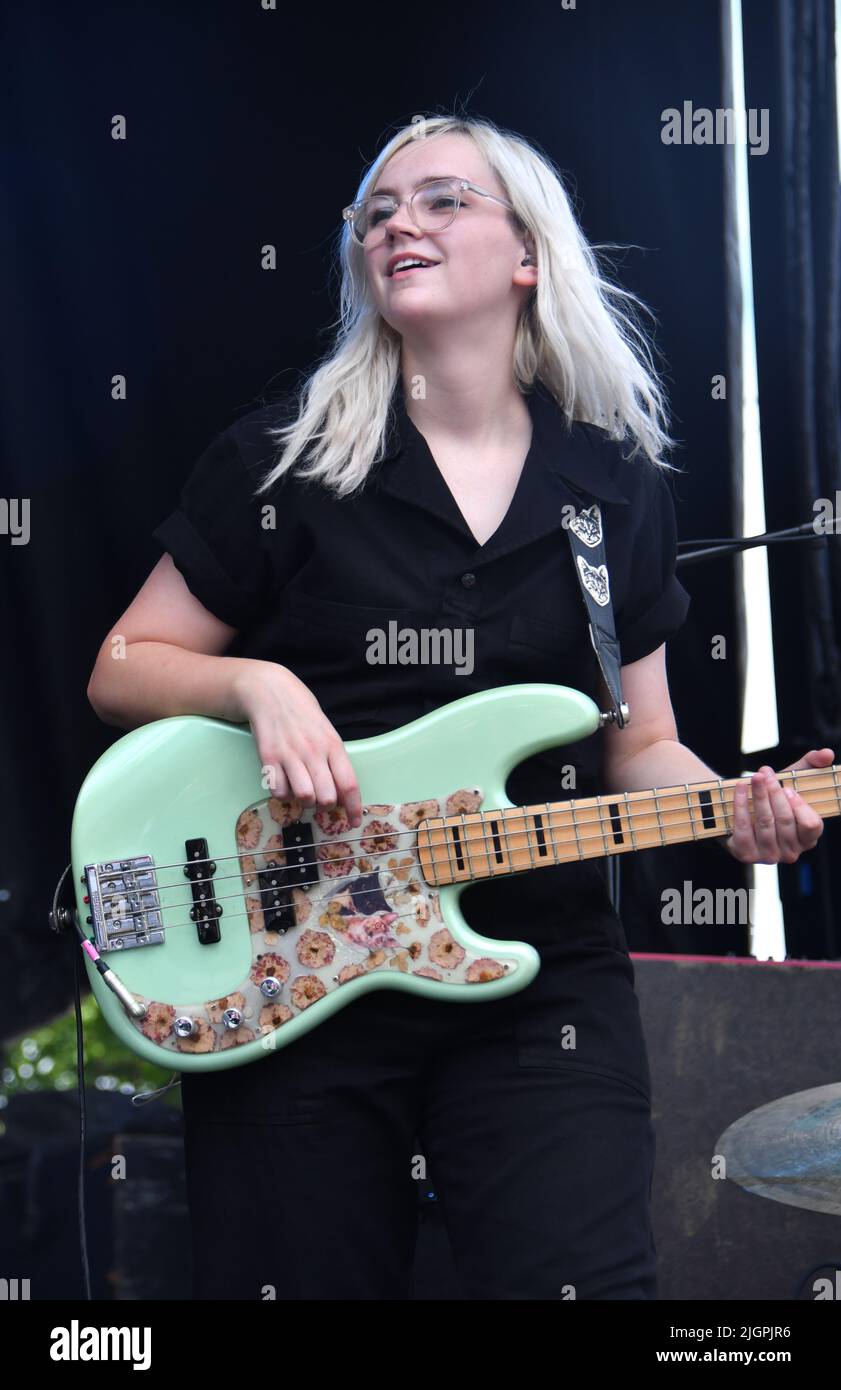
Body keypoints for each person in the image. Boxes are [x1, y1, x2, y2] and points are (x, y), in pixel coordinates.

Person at [87, 114, 829, 1301]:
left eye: (440, 201)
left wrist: (737, 809)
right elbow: (123, 659)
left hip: (539, 990)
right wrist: (256, 683)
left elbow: (636, 739)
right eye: (376, 212)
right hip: (295, 977)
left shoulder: (608, 485)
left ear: (528, 254)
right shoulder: (285, 460)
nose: (398, 225)